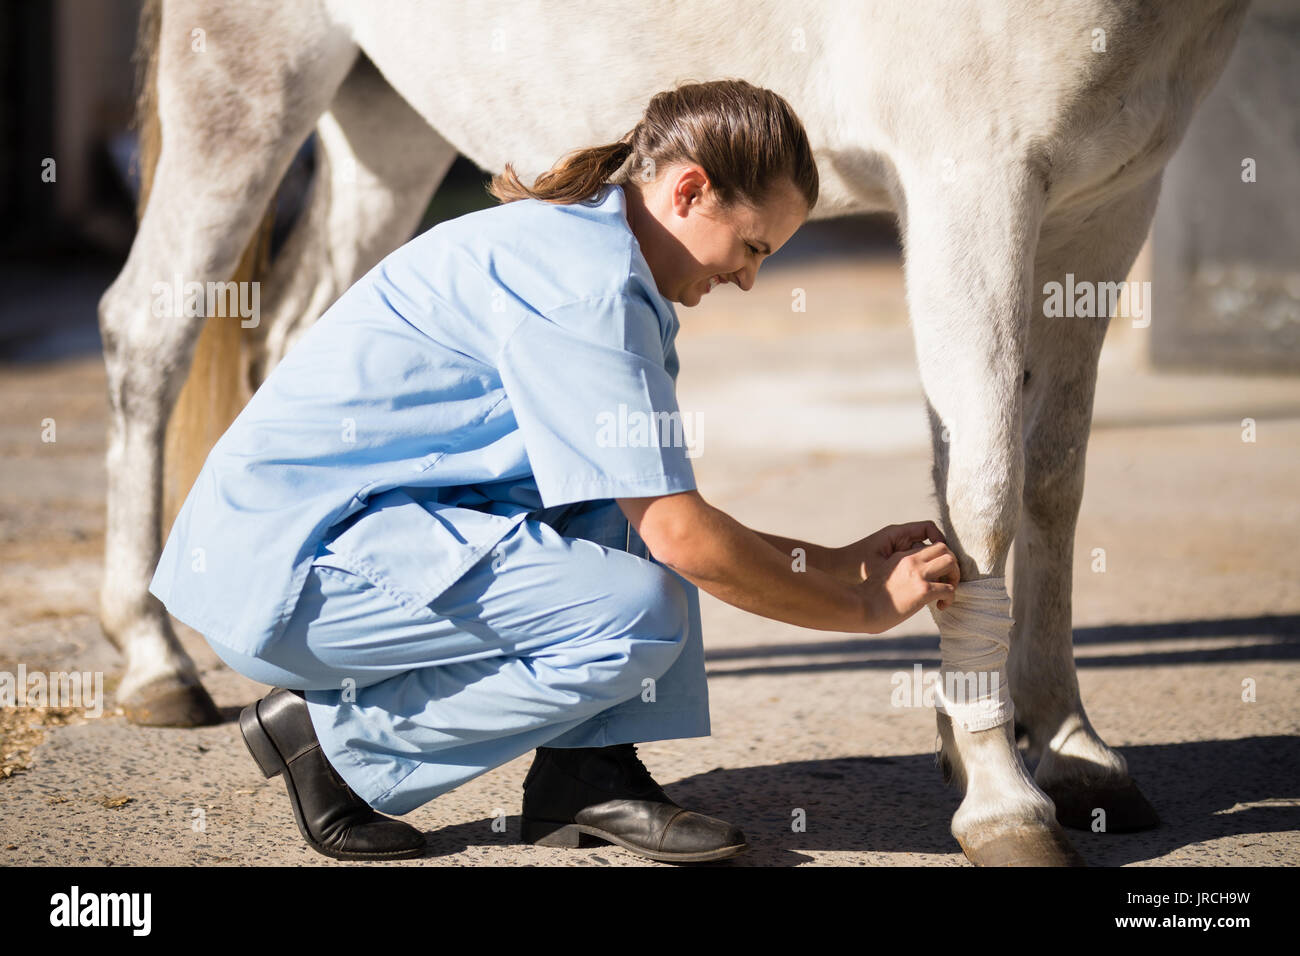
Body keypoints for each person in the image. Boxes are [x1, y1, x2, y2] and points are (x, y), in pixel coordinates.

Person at [149, 78, 959, 864]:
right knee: (637, 613)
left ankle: (585, 772)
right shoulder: (591, 291)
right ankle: (328, 742)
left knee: (620, 505)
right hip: (289, 577)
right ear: (690, 191)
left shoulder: (593, 248)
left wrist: (840, 560)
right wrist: (856, 602)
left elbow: (653, 508)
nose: (749, 278)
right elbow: (683, 539)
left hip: (326, 541)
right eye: (752, 247)